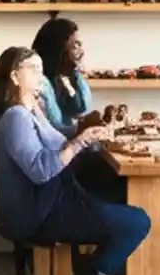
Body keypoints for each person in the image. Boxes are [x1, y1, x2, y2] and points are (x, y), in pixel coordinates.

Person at [0, 46, 151, 275]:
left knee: (119, 192)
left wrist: (89, 132)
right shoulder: (16, 118)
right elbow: (41, 169)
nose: (40, 75)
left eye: (40, 68)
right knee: (137, 222)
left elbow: (58, 139)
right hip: (37, 213)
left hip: (51, 198)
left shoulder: (32, 109)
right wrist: (80, 142)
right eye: (33, 69)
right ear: (14, 76)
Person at [30, 17, 124, 203]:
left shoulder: (60, 78)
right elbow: (51, 130)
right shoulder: (39, 83)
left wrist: (76, 71)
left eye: (80, 44)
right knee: (116, 176)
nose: (80, 49)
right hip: (56, 163)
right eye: (74, 45)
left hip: (68, 154)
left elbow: (81, 107)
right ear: (58, 49)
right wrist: (82, 127)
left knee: (111, 168)